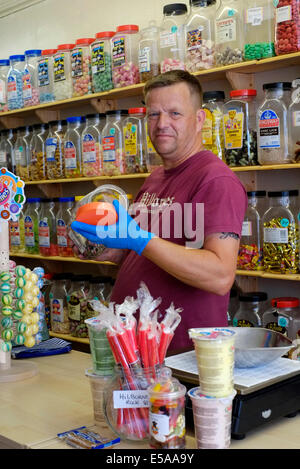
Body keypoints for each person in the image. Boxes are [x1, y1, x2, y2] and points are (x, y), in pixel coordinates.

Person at [71, 70, 248, 353]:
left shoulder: (216, 180)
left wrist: (139, 239)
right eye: (153, 114)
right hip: (136, 352)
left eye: (175, 113)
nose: (162, 124)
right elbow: (149, 255)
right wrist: (109, 249)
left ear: (200, 120)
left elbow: (219, 275)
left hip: (182, 358)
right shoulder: (155, 178)